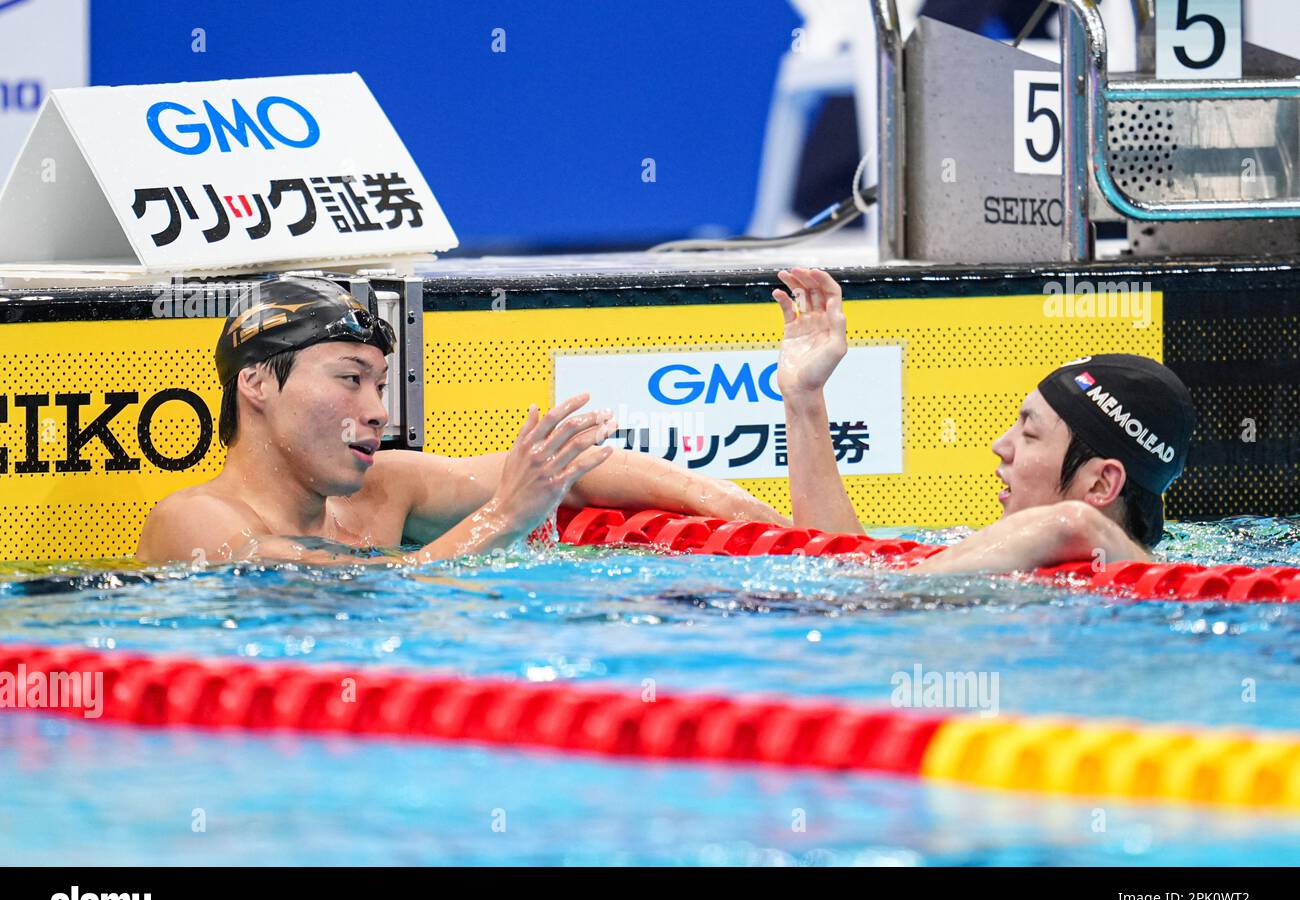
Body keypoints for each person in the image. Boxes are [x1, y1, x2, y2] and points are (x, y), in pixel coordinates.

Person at [135, 276, 786, 566]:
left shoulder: (385, 489)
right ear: (255, 384)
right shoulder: (194, 522)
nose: (376, 411)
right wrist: (508, 515)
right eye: (348, 379)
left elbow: (587, 471)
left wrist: (754, 520)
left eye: (381, 385)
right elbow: (351, 592)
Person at [771, 267, 1197, 573]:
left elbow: (1077, 526)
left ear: (1102, 483)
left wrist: (880, 590)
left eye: (1030, 433)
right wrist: (804, 398)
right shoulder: (1003, 560)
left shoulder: (1102, 552)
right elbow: (850, 564)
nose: (1001, 444)